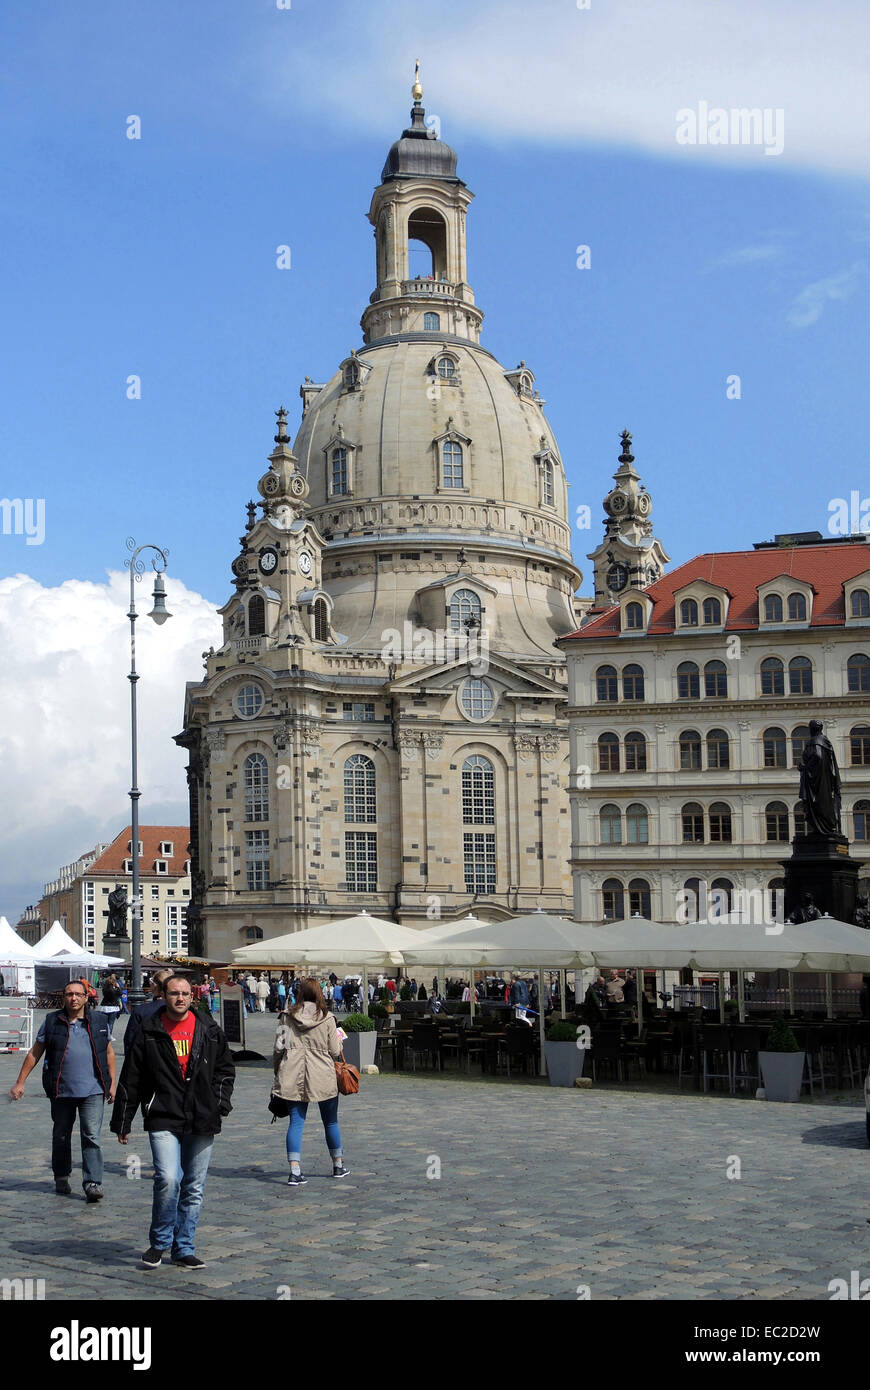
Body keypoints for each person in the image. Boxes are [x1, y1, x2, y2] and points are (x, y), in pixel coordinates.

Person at [111, 973, 235, 1270]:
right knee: (168, 1178)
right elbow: (132, 1077)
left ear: (193, 997)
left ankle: (184, 1248)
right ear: (163, 996)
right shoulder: (149, 1030)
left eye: (185, 994)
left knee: (194, 1186)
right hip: (163, 1114)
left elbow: (225, 1069)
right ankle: (160, 1242)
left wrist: (219, 1104)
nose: (180, 998)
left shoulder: (208, 1029)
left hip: (202, 1115)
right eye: (174, 994)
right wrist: (123, 1121)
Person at [9, 979, 116, 1201]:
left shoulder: (99, 1021)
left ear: (87, 997)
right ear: (64, 997)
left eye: (78, 994)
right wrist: (20, 1082)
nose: (73, 998)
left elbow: (108, 1053)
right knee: (61, 1135)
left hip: (93, 1090)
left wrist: (112, 1083)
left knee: (92, 1136)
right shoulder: (52, 1021)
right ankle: (61, 1176)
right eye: (69, 994)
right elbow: (34, 1053)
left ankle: (93, 1182)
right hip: (61, 1089)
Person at [272, 978, 349, 1185]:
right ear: (319, 994)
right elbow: (334, 1051)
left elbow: (279, 1047)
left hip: (292, 1072)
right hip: (322, 1073)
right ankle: (338, 1164)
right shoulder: (327, 1018)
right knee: (331, 1121)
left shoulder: (287, 1017)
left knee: (296, 1123)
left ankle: (295, 1170)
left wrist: (277, 1071)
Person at [124, 967, 174, 1053]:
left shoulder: (141, 1011)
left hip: (148, 1059)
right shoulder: (180, 1010)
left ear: (153, 986)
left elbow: (130, 1041)